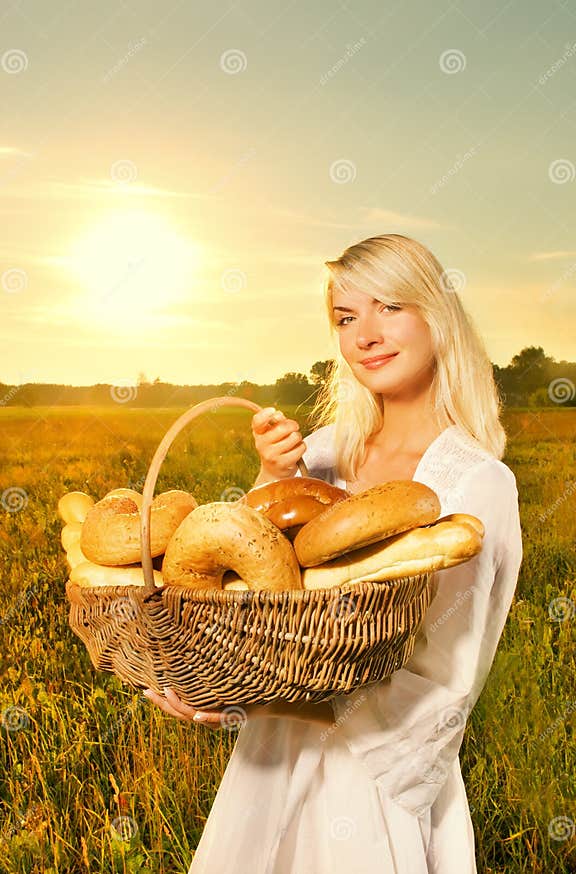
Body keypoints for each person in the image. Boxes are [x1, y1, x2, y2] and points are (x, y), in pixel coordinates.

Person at [143, 233, 523, 873]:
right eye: (347, 318)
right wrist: (270, 478)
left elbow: (441, 691)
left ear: (437, 313)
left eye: (390, 307)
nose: (366, 335)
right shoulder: (321, 453)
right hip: (267, 765)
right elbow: (266, 606)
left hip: (369, 792)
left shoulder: (475, 482)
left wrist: (252, 698)